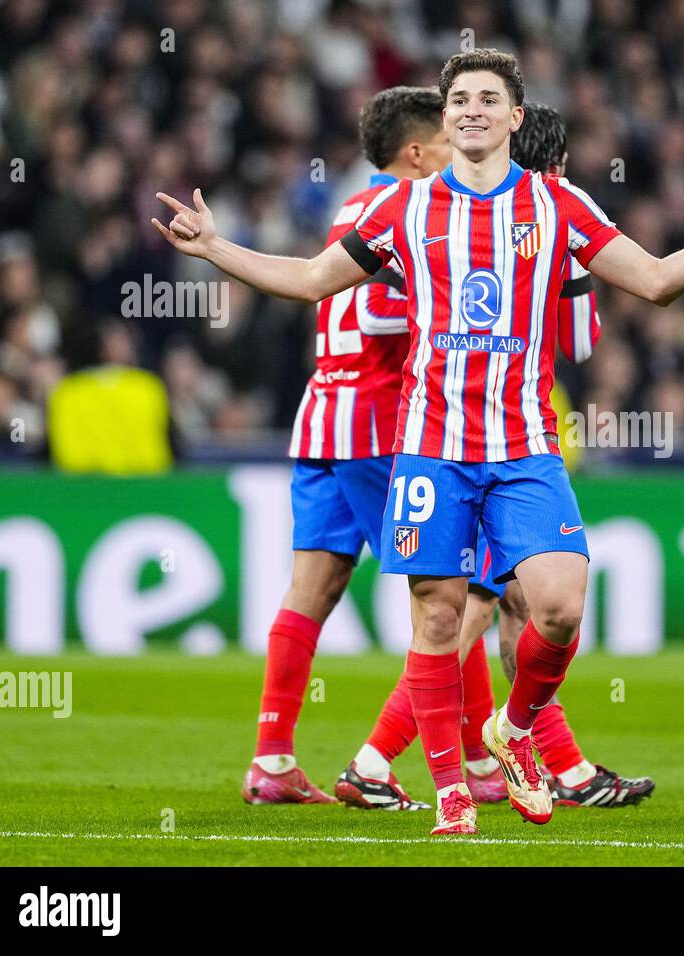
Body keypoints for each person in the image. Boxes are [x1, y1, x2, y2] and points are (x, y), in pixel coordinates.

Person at [154, 48, 684, 835]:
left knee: (557, 607)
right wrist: (216, 249)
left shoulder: (558, 207)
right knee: (441, 620)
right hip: (429, 449)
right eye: (459, 101)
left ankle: (512, 731)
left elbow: (655, 280)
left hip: (524, 448)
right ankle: (452, 796)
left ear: (516, 118)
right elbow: (312, 281)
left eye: (489, 99)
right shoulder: (403, 209)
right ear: (445, 118)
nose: (472, 111)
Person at [342, 102, 654, 810]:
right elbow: (578, 342)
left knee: (503, 606)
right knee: (473, 610)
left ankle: (550, 765)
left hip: (502, 438)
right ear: (556, 166)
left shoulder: (471, 217)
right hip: (467, 438)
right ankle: (383, 759)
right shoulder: (515, 219)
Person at [240, 86, 451, 809]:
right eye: (451, 144)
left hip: (323, 415)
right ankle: (446, 769)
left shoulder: (350, 210)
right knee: (454, 594)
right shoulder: (413, 210)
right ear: (418, 152)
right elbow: (397, 315)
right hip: (378, 425)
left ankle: (272, 759)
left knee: (315, 589)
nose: (465, 159)